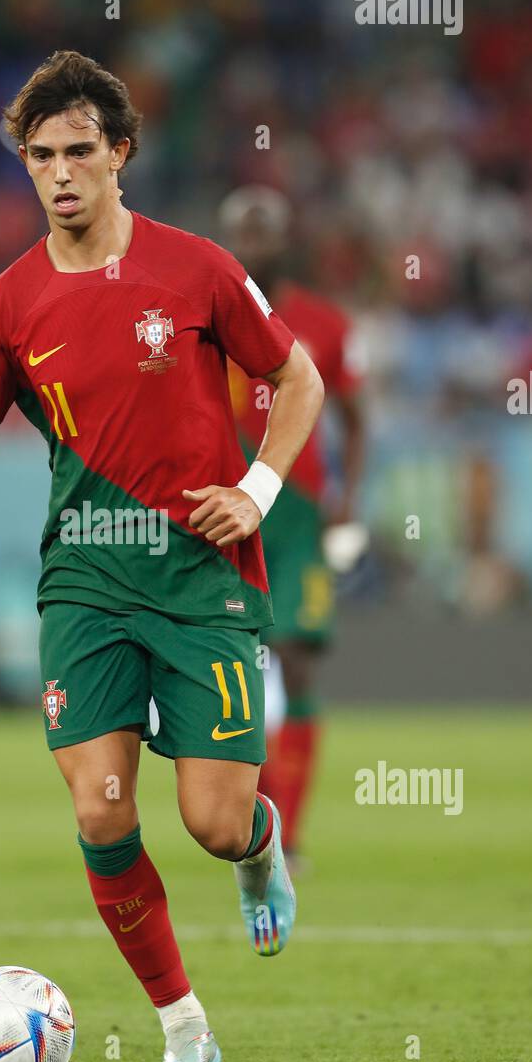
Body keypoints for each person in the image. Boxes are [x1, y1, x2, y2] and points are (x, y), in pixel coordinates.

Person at [0, 52, 324, 1062]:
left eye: (78, 151)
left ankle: (257, 846)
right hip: (85, 584)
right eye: (39, 156)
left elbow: (295, 378)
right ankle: (184, 1030)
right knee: (102, 808)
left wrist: (256, 489)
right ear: (23, 166)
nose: (60, 172)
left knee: (208, 819)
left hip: (203, 579)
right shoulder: (5, 306)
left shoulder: (195, 268)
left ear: (119, 154)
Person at [221, 186, 365, 866]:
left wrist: (348, 497)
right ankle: (265, 824)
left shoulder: (327, 324)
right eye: (241, 233)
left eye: (265, 232)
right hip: (224, 507)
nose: (254, 244)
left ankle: (293, 833)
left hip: (299, 513)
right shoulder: (202, 314)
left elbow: (356, 417)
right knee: (237, 671)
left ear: (287, 240)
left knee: (298, 663)